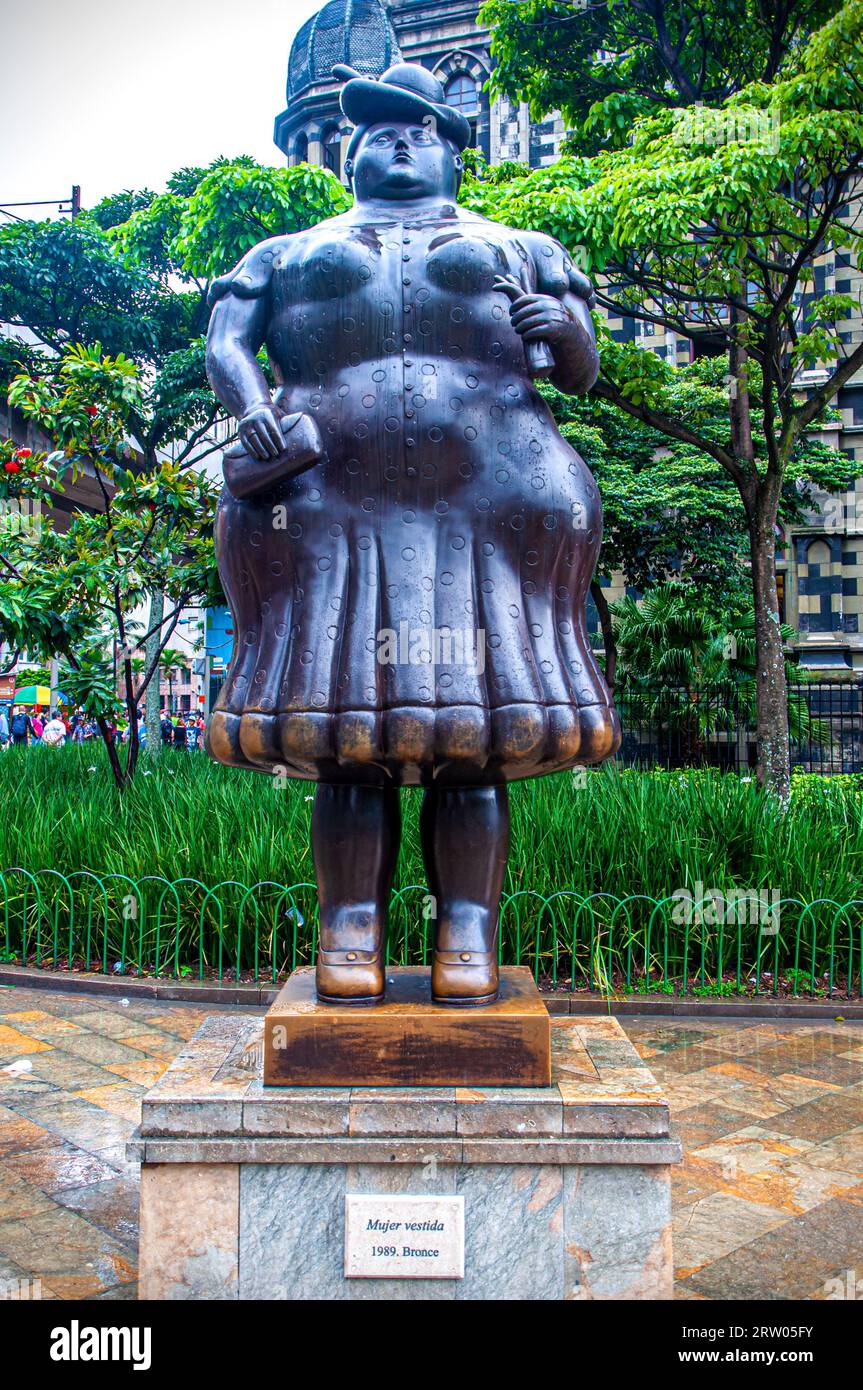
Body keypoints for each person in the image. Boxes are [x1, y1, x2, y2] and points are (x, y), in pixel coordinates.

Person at [205, 62, 618, 1006]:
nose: (397, 141)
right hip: (323, 504)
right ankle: (349, 926)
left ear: (453, 150)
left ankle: (465, 926)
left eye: (420, 129)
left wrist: (563, 325)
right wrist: (251, 409)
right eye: (377, 130)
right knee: (346, 730)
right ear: (347, 152)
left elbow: (578, 369)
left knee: (473, 733)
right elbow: (227, 342)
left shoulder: (519, 245)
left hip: (493, 501)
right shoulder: (286, 249)